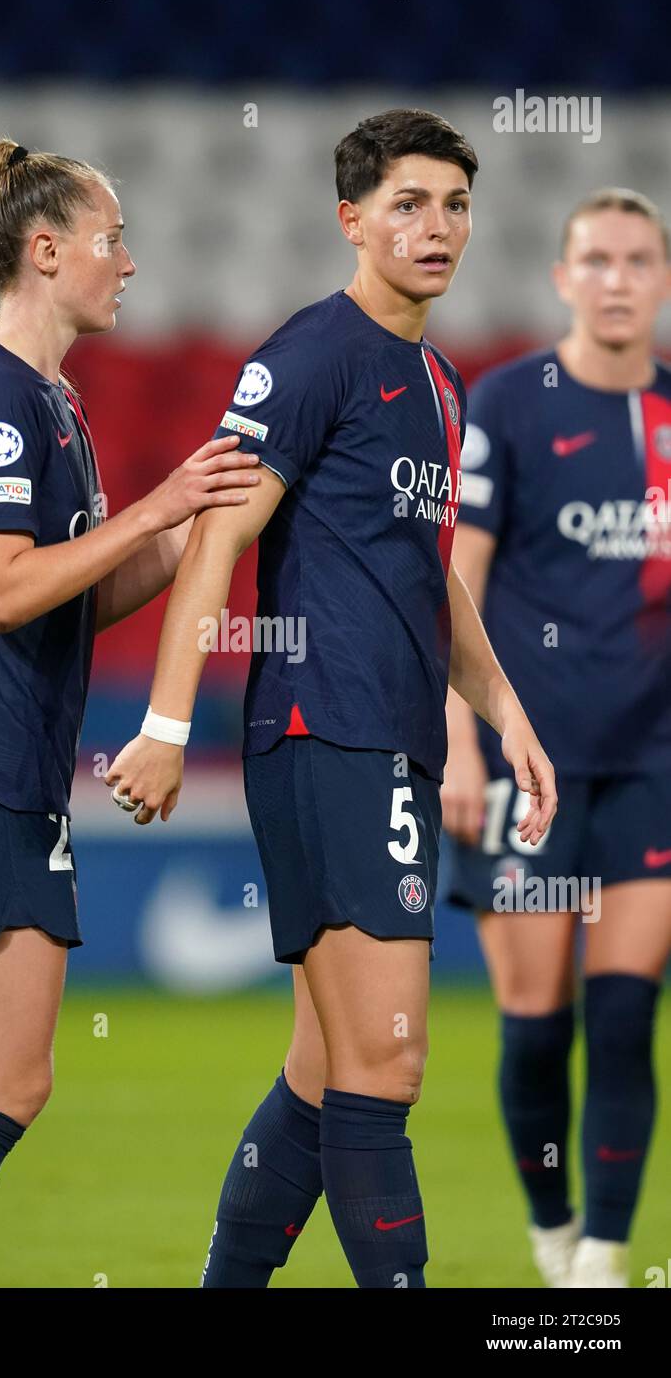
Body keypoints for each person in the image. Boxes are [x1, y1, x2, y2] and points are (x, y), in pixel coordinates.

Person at [106, 108, 557, 1289]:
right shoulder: (311, 353)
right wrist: (161, 725)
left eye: (455, 204)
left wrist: (507, 712)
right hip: (326, 731)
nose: (438, 226)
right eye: (409, 202)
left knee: (325, 1074)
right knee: (388, 1071)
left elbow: (431, 580)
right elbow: (217, 536)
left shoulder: (441, 382)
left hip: (388, 738)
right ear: (350, 219)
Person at [0, 137, 262, 1288]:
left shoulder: (50, 402)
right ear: (45, 253)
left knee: (8, 1081)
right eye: (110, 238)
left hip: (9, 771)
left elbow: (75, 601)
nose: (129, 262)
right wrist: (155, 508)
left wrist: (201, 530)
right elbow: (3, 592)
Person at [442, 188, 671, 1288]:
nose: (618, 278)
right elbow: (459, 583)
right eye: (598, 259)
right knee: (539, 1023)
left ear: (663, 279)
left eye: (638, 259)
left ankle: (605, 1258)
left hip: (653, 763)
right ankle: (552, 1223)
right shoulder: (509, 405)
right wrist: (457, 736)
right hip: (529, 766)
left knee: (626, 1013)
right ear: (563, 277)